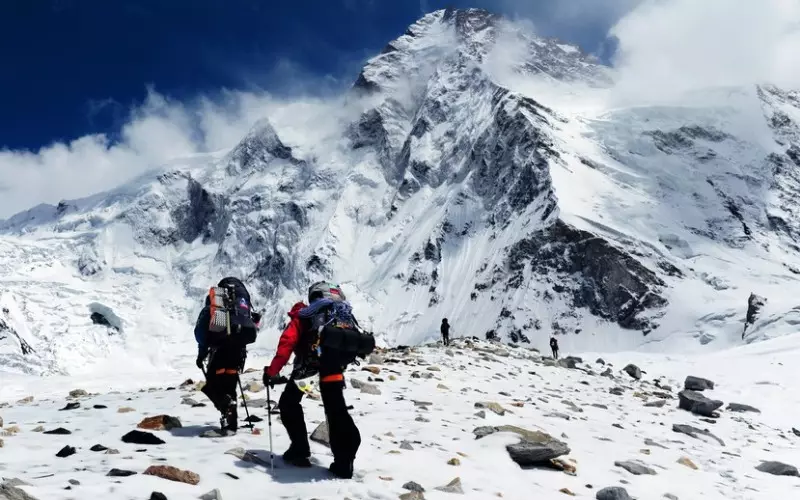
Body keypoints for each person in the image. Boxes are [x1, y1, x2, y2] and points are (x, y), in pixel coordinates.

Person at [263, 281, 367, 479]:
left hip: (308, 369)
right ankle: (343, 460)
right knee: (335, 408)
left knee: (289, 403)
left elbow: (287, 344)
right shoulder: (340, 313)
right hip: (333, 367)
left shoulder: (305, 314)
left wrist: (272, 371)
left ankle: (300, 449)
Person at [194, 277, 261, 434]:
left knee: (212, 383)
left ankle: (226, 407)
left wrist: (201, 354)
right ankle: (231, 424)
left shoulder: (215, 306)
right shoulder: (242, 308)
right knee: (230, 385)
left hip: (219, 350)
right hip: (238, 352)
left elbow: (202, 333)